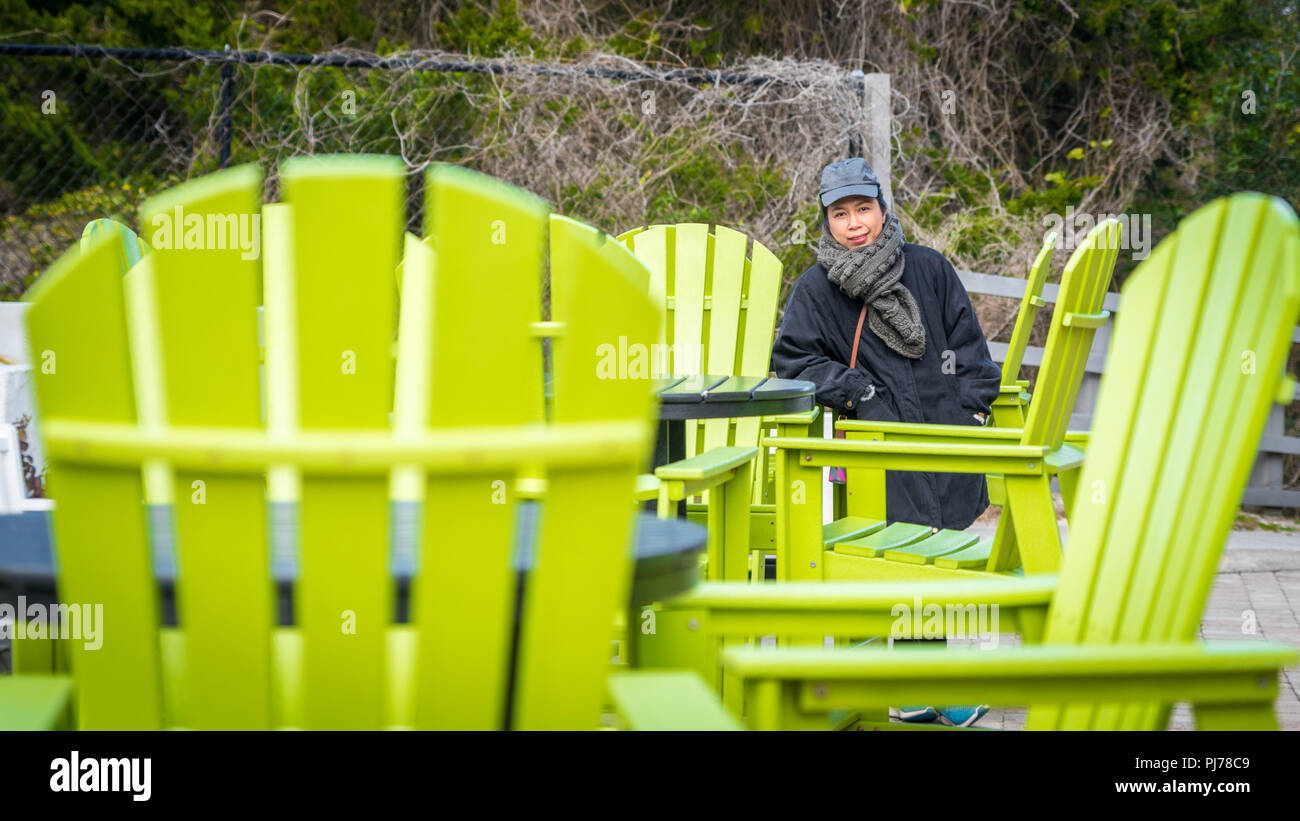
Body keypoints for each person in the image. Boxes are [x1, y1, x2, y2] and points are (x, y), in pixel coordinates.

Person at [770, 158, 1002, 726]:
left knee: (932, 556)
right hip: (870, 444)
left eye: (863, 210)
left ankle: (920, 686)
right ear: (827, 222)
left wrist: (970, 413)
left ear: (882, 209)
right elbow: (791, 361)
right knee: (895, 556)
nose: (854, 224)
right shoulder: (816, 289)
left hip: (943, 436)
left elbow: (971, 350)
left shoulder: (927, 268)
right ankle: (920, 685)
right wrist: (858, 392)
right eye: (840, 214)